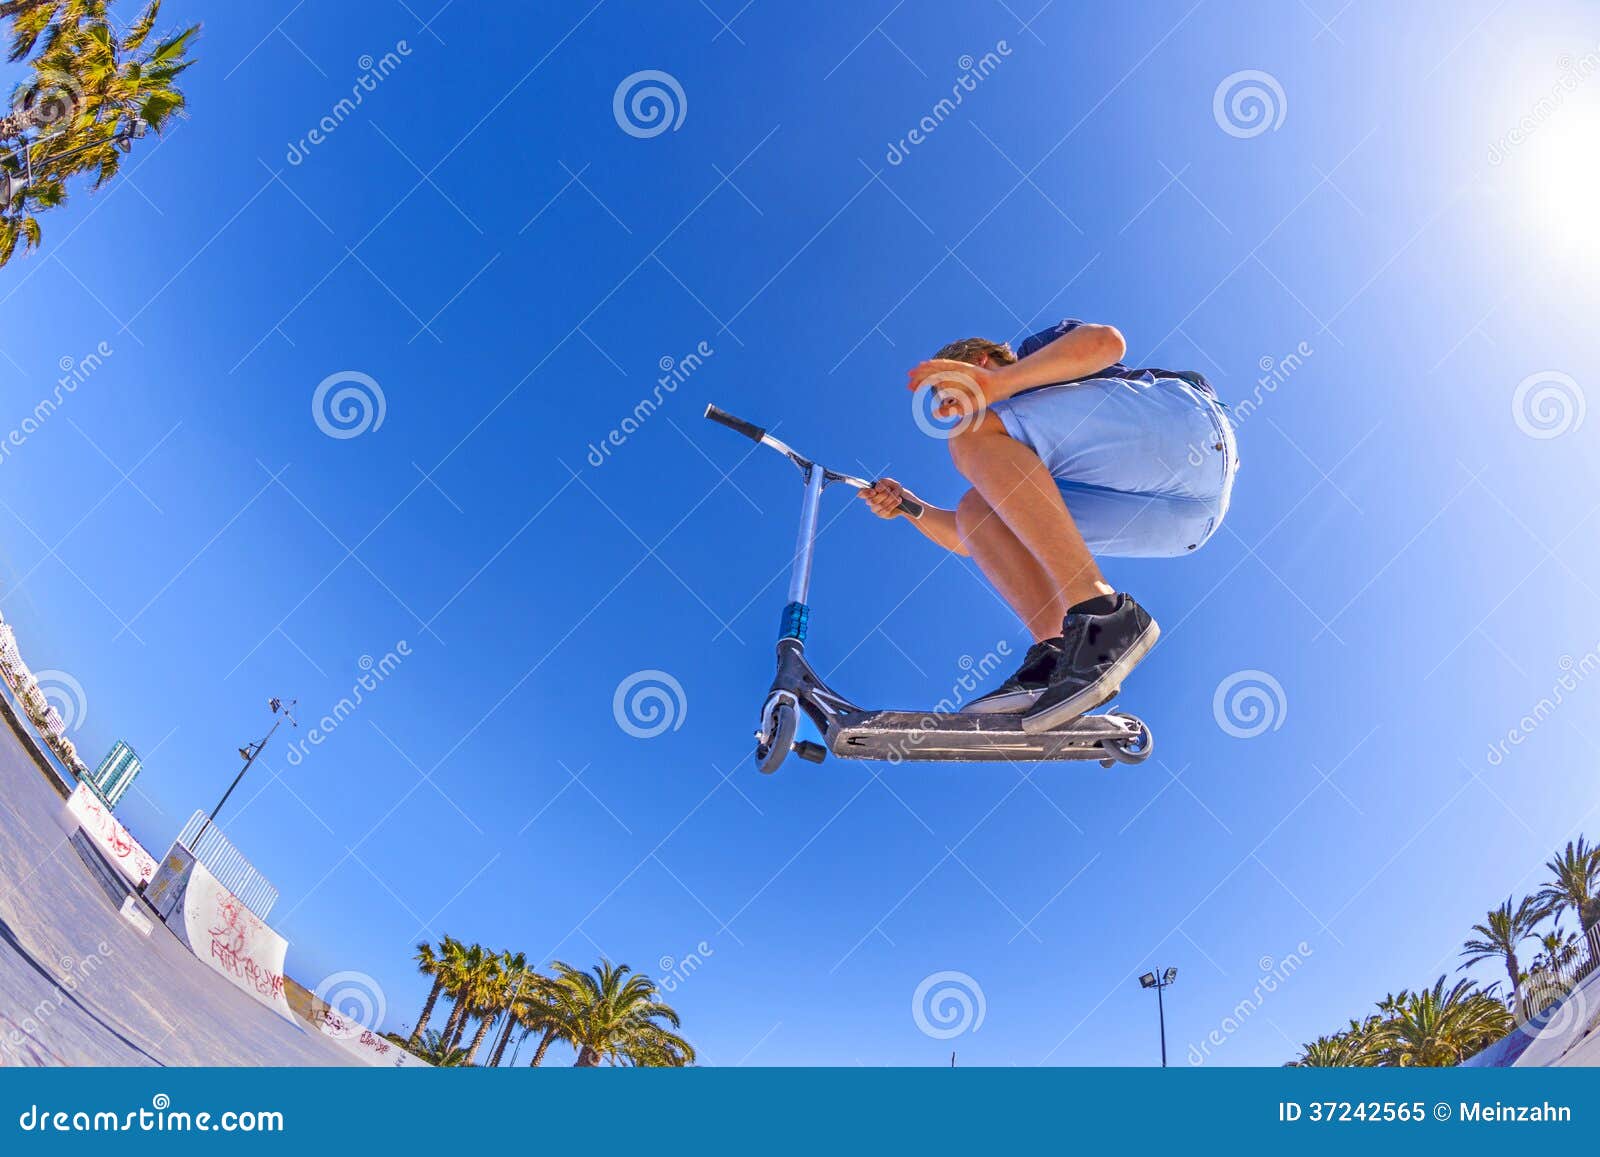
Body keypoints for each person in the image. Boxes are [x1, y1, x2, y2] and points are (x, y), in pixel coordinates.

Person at [859, 319, 1237, 733]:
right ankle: (1058, 656)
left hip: (1189, 432)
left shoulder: (1038, 354)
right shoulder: (1017, 451)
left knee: (971, 436)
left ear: (979, 362)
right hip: (1182, 525)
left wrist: (1001, 382)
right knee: (976, 510)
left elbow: (1108, 343)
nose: (951, 413)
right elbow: (972, 537)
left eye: (952, 396)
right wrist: (911, 509)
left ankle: (1104, 614)